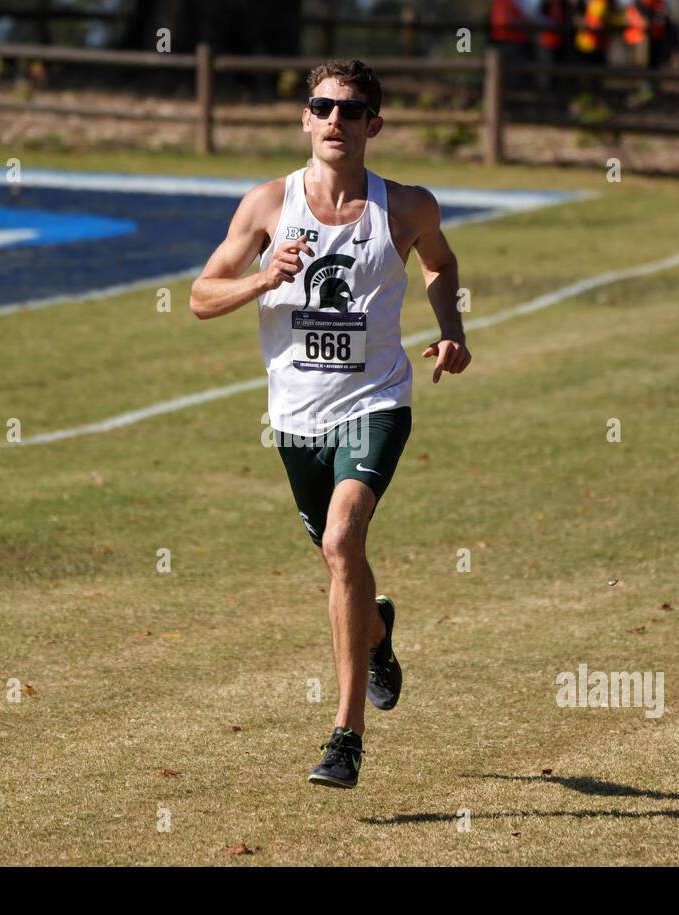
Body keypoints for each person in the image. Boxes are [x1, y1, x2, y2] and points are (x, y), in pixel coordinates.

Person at [189, 60, 472, 788]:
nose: (336, 121)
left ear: (373, 123)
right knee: (338, 563)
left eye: (351, 110)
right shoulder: (267, 206)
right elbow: (200, 296)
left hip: (376, 401)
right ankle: (376, 631)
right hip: (295, 418)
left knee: (346, 538)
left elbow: (440, 265)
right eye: (323, 108)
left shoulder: (405, 208)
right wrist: (263, 277)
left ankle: (345, 737)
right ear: (306, 120)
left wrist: (451, 328)